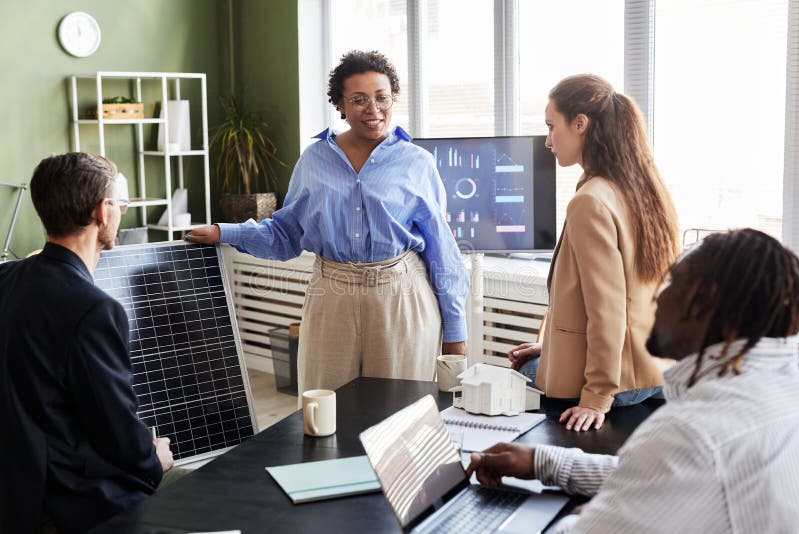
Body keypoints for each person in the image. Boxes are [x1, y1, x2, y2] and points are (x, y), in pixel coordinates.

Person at [469, 228, 799, 533]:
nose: (658, 296)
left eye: (672, 281)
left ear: (704, 302)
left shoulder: (695, 430)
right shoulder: (780, 388)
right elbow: (662, 478)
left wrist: (577, 518)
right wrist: (544, 462)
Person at [187, 50, 468, 394]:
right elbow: (285, 234)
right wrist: (223, 232)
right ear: (340, 105)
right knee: (324, 409)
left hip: (402, 297)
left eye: (382, 97)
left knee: (399, 415)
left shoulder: (417, 162)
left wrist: (455, 333)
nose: (373, 109)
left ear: (393, 98)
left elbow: (443, 251)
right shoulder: (314, 160)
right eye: (359, 99)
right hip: (331, 297)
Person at [0, 153, 174, 534]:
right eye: (117, 203)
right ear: (102, 211)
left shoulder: (7, 277)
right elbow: (116, 430)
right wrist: (154, 459)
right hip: (69, 501)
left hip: (14, 490)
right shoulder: (95, 310)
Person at [508, 74, 680, 431]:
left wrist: (597, 397)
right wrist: (550, 347)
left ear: (580, 124)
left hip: (618, 384)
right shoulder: (646, 188)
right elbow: (636, 300)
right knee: (534, 359)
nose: (547, 140)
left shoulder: (590, 201)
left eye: (552, 126)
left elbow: (608, 310)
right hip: (656, 371)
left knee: (514, 373)